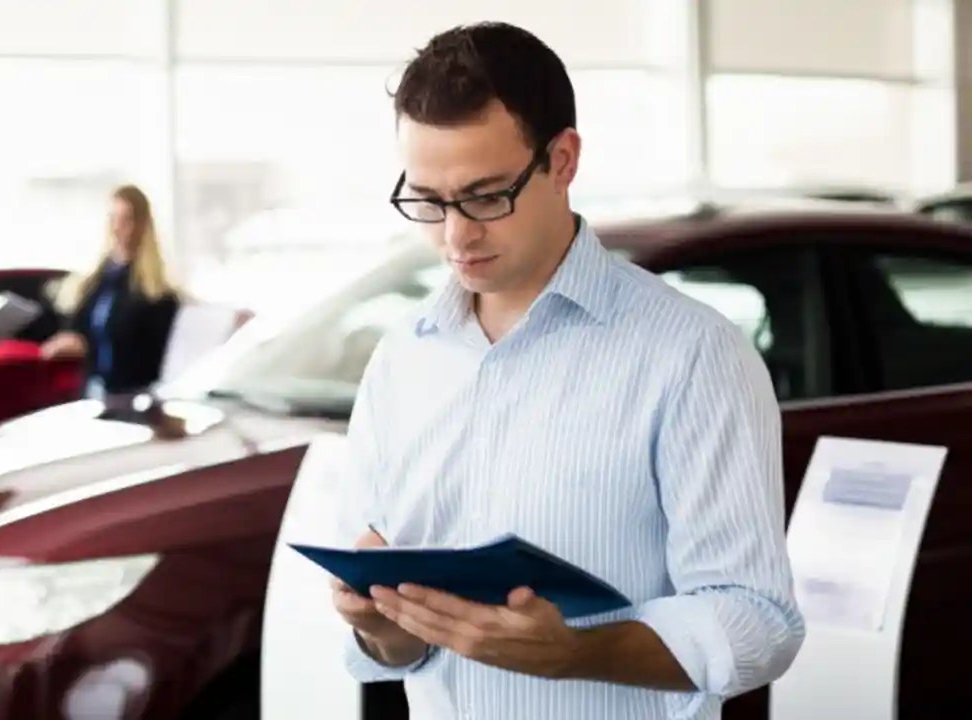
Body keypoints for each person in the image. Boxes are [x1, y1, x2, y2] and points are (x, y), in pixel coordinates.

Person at [331, 22, 804, 719]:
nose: (456, 235)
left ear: (562, 160)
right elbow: (397, 649)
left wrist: (578, 654)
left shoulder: (693, 354)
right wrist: (381, 627)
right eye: (428, 201)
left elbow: (759, 621)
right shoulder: (402, 358)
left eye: (486, 196)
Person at [42, 185, 180, 399]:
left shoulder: (155, 292)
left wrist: (89, 345)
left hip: (134, 396)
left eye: (126, 219)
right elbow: (80, 326)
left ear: (142, 225)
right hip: (93, 391)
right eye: (113, 218)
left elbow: (146, 353)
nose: (117, 227)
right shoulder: (96, 279)